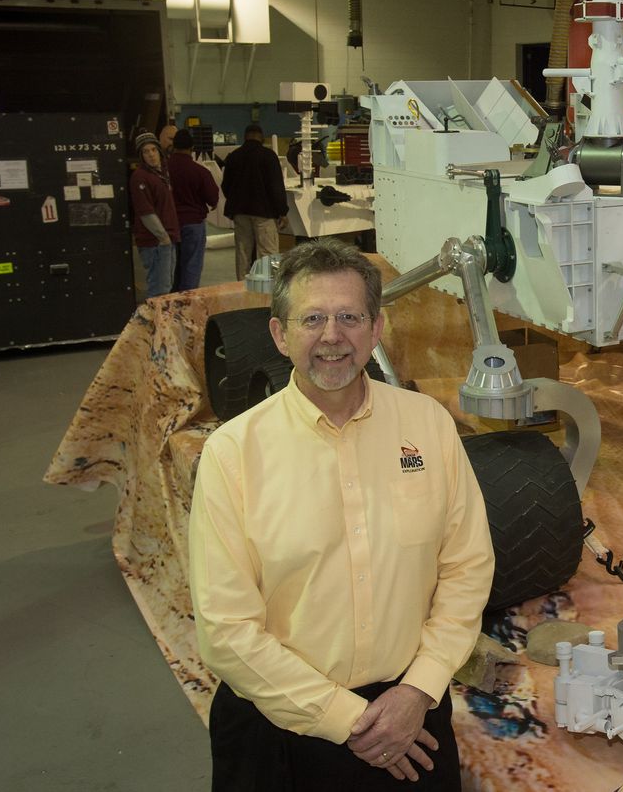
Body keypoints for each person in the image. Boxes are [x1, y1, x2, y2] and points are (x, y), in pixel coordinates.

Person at [189, 238, 494, 791]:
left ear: (376, 330)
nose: (332, 335)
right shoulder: (233, 453)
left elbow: (467, 567)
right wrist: (349, 720)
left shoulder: (427, 426)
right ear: (280, 334)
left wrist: (419, 689)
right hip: (280, 727)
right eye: (312, 318)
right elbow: (226, 629)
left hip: (411, 714)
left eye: (349, 317)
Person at [221, 122, 288, 280]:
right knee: (268, 254)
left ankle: (242, 287)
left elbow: (225, 185)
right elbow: (276, 186)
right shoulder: (269, 156)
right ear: (261, 138)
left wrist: (235, 203)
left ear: (245, 137)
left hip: (240, 212)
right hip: (264, 213)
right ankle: (269, 288)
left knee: (243, 253)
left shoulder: (234, 156)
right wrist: (282, 211)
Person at [168, 128, 221, 291]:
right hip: (193, 223)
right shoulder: (200, 171)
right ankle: (187, 300)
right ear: (192, 148)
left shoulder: (163, 170)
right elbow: (213, 198)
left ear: (173, 146)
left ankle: (171, 299)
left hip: (168, 224)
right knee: (191, 266)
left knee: (170, 268)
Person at [129, 131, 179, 299]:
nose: (151, 154)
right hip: (155, 242)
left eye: (153, 150)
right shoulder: (140, 177)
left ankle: (160, 316)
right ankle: (155, 317)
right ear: (141, 156)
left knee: (166, 286)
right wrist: (163, 237)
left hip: (168, 239)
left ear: (159, 150)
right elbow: (145, 212)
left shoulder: (161, 174)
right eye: (145, 151)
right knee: (159, 290)